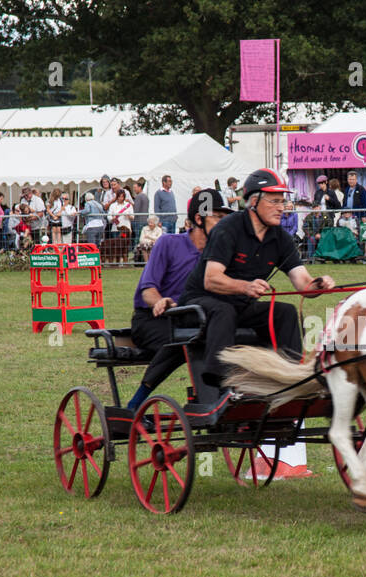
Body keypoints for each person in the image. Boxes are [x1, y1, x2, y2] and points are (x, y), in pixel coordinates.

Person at [178, 168, 336, 394]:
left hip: (241, 306)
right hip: (199, 304)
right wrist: (245, 286)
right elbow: (211, 279)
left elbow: (303, 284)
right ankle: (221, 382)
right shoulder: (228, 228)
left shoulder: (280, 238)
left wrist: (318, 285)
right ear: (253, 201)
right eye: (274, 201)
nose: (281, 207)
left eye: (283, 201)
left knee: (285, 312)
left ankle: (292, 379)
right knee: (224, 310)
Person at [123, 191, 232, 411]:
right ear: (199, 219)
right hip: (153, 319)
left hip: (192, 320)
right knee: (184, 342)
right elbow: (147, 289)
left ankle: (223, 398)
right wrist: (161, 302)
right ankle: (135, 403)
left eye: (225, 218)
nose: (224, 224)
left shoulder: (219, 256)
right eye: (218, 217)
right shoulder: (168, 243)